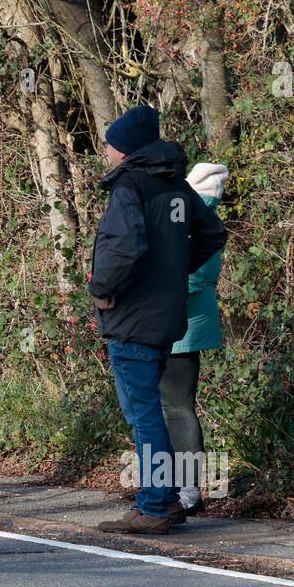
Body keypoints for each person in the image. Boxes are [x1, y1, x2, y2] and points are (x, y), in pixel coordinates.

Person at [88, 105, 228, 535]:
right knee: (151, 410)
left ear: (126, 149)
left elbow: (124, 245)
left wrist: (101, 288)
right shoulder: (176, 186)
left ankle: (154, 506)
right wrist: (174, 271)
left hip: (131, 315)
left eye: (110, 144)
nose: (107, 151)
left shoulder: (131, 186)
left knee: (145, 413)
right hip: (165, 316)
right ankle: (164, 500)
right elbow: (213, 234)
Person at [159, 162, 229, 517]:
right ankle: (174, 486)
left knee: (177, 406)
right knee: (173, 407)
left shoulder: (196, 222)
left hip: (181, 326)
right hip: (181, 323)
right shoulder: (201, 218)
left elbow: (196, 279)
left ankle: (187, 490)